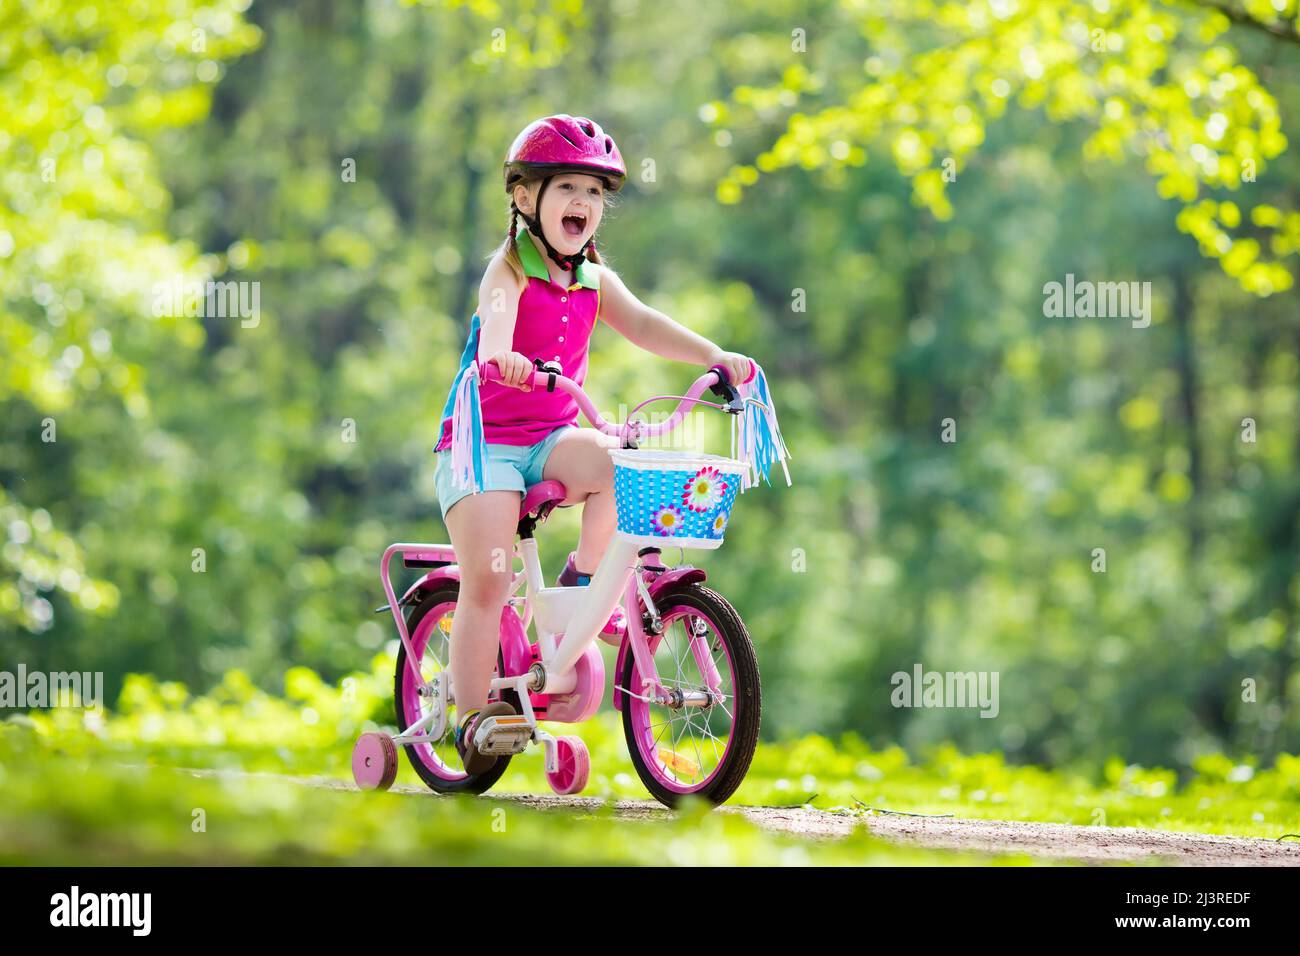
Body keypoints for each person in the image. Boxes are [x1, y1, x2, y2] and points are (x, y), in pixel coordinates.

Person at [432, 114, 752, 774]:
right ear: (525, 198)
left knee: (618, 464)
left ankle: (584, 579)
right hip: (483, 445)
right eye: (568, 188)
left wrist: (715, 355)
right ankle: (471, 718)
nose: (583, 203)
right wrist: (504, 359)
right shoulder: (507, 271)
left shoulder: (593, 280)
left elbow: (644, 325)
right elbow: (496, 322)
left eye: (595, 193)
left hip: (549, 437)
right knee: (490, 578)